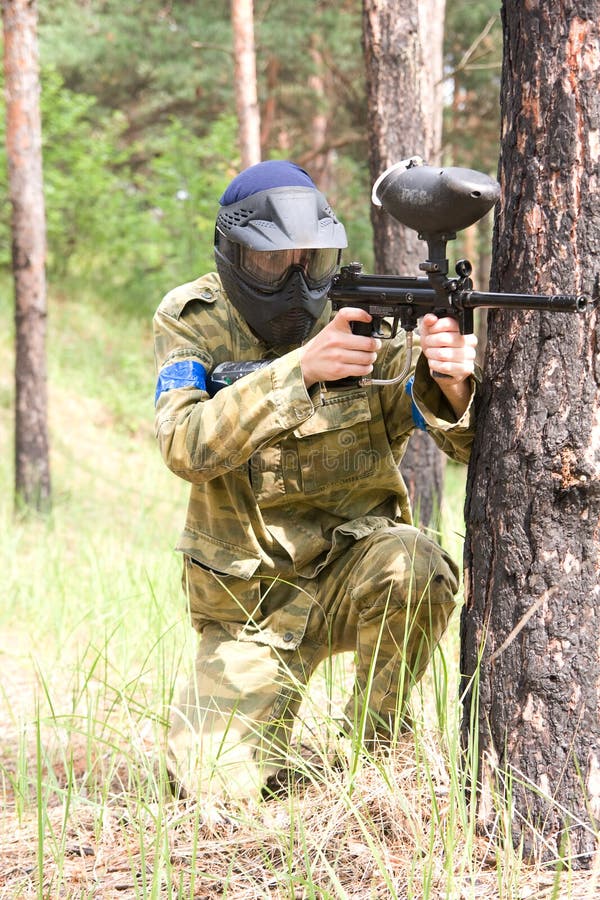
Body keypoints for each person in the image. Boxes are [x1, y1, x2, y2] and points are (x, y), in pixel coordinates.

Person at [153, 159, 478, 800]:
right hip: (250, 608)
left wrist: (452, 380)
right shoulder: (193, 318)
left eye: (313, 262)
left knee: (416, 561)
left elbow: (465, 443)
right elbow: (184, 445)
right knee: (211, 794)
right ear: (235, 256)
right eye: (275, 263)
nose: (298, 281)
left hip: (354, 575)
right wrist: (299, 371)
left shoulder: (363, 321)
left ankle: (376, 749)